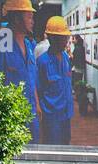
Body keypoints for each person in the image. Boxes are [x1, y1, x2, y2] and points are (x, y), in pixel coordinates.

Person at [0, 0, 41, 140]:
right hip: (13, 113)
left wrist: (37, 104)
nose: (32, 22)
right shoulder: (5, 42)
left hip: (31, 110)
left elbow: (31, 78)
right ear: (16, 19)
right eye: (29, 17)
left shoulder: (29, 44)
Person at [36, 17, 74, 145]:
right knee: (52, 148)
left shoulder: (65, 57)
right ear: (53, 38)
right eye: (63, 38)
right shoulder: (42, 61)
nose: (66, 41)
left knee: (66, 144)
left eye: (66, 37)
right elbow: (37, 89)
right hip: (51, 118)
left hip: (66, 114)